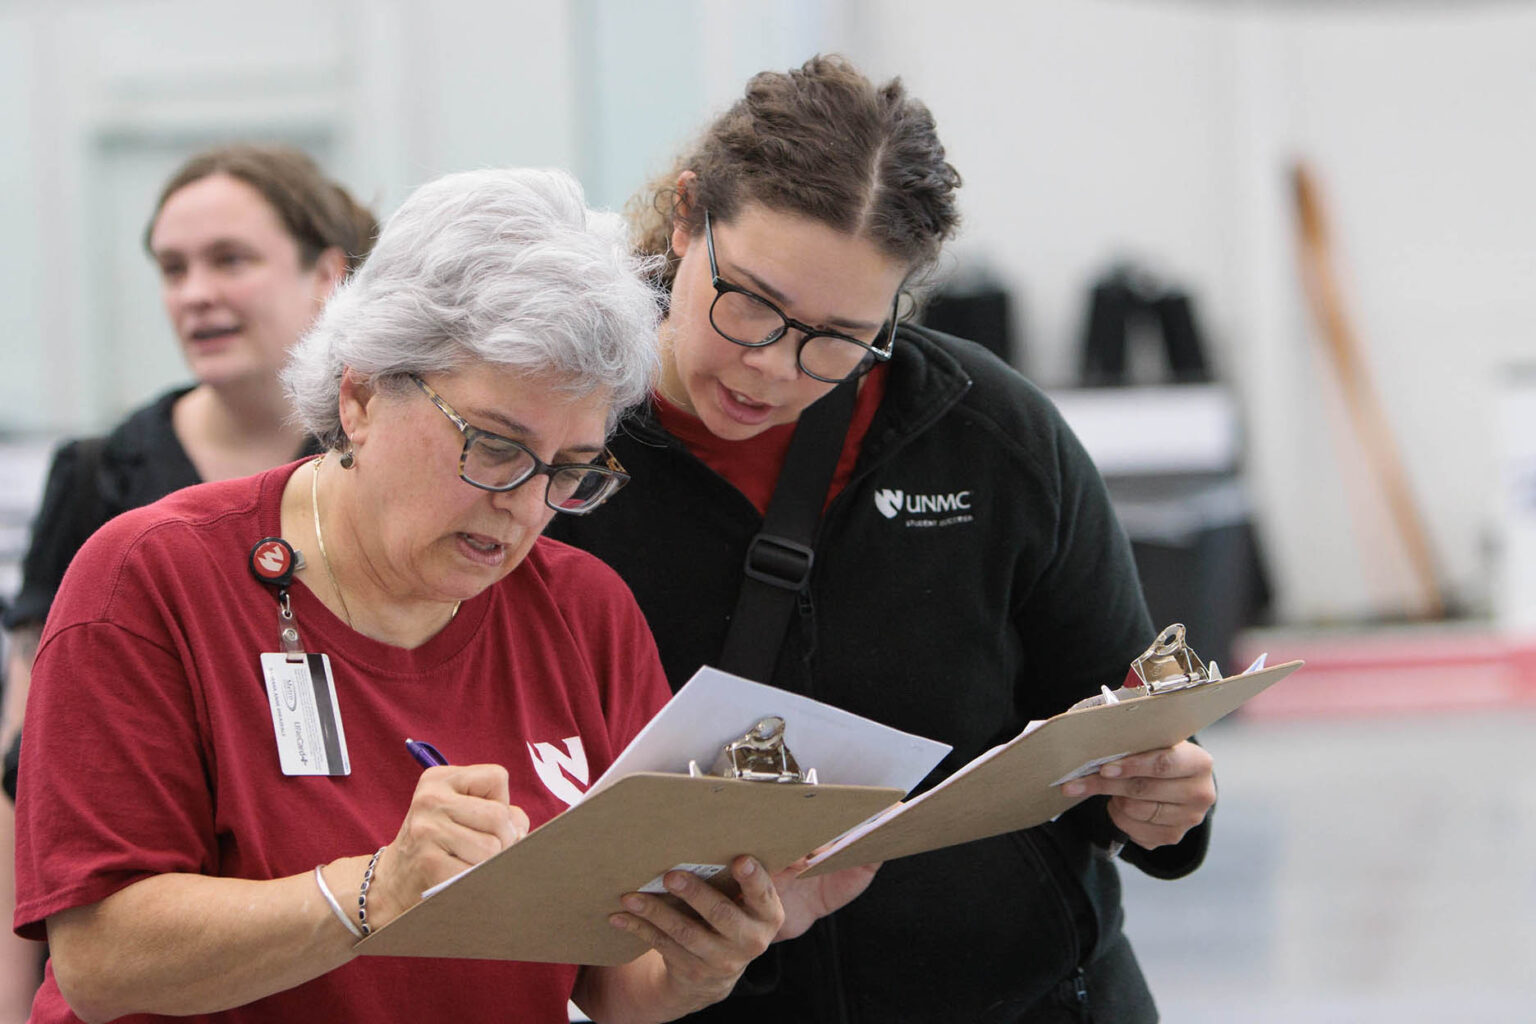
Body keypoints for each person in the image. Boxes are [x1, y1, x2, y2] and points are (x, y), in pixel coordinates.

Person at [11, 168, 803, 1023]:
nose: (525, 505)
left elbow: (607, 980)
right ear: (359, 397)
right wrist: (374, 891)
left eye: (570, 470)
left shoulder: (585, 612)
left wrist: (695, 964)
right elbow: (99, 958)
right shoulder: (152, 579)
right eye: (494, 446)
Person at [546, 55, 1218, 1022]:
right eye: (752, 304)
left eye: (839, 337)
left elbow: (1124, 715)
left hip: (1028, 999)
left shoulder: (989, 431)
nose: (774, 367)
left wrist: (1169, 801)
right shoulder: (555, 439)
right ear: (688, 217)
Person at [0, 143, 376, 1017]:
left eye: (230, 261)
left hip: (332, 950)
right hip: (133, 956)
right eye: (173, 268)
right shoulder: (100, 474)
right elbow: (25, 775)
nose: (195, 292)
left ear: (328, 273)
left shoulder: (371, 474)